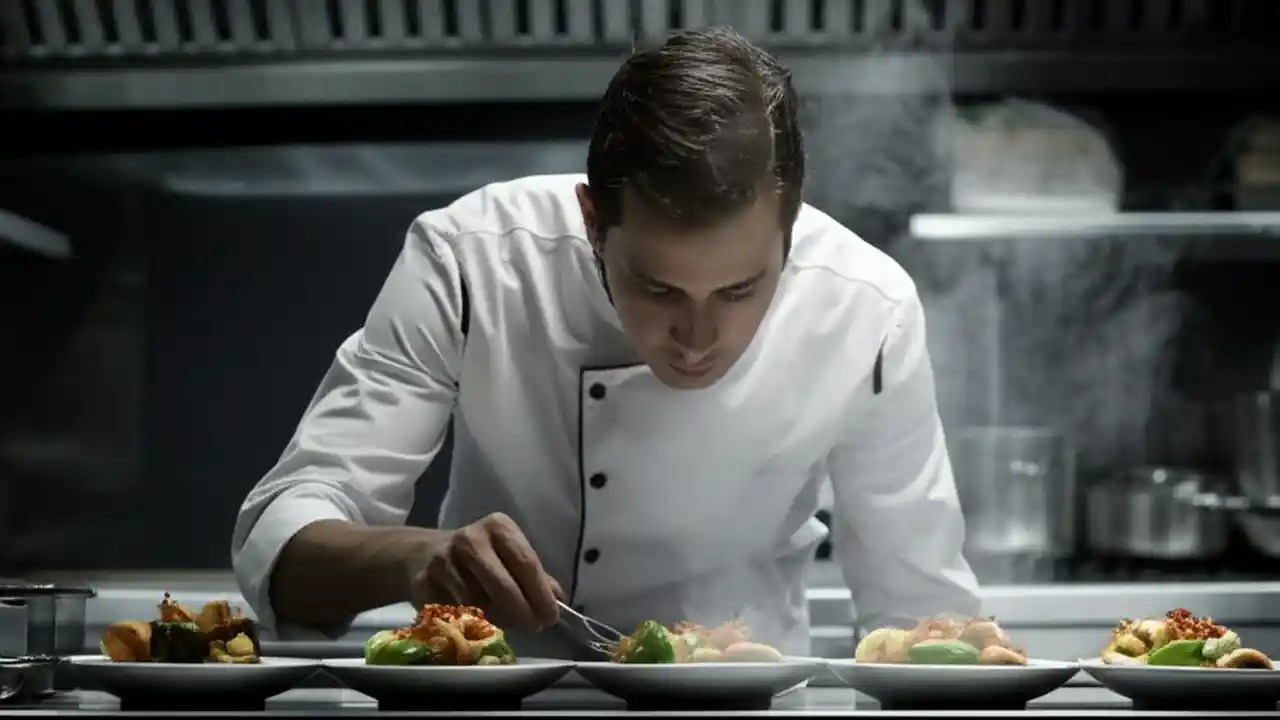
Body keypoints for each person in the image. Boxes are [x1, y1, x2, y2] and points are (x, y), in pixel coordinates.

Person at [231, 27, 980, 658]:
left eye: (741, 291)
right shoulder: (472, 260)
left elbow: (922, 617)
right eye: (658, 289)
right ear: (592, 219)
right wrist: (415, 557)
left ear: (791, 225)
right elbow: (284, 543)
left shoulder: (868, 309)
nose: (696, 339)